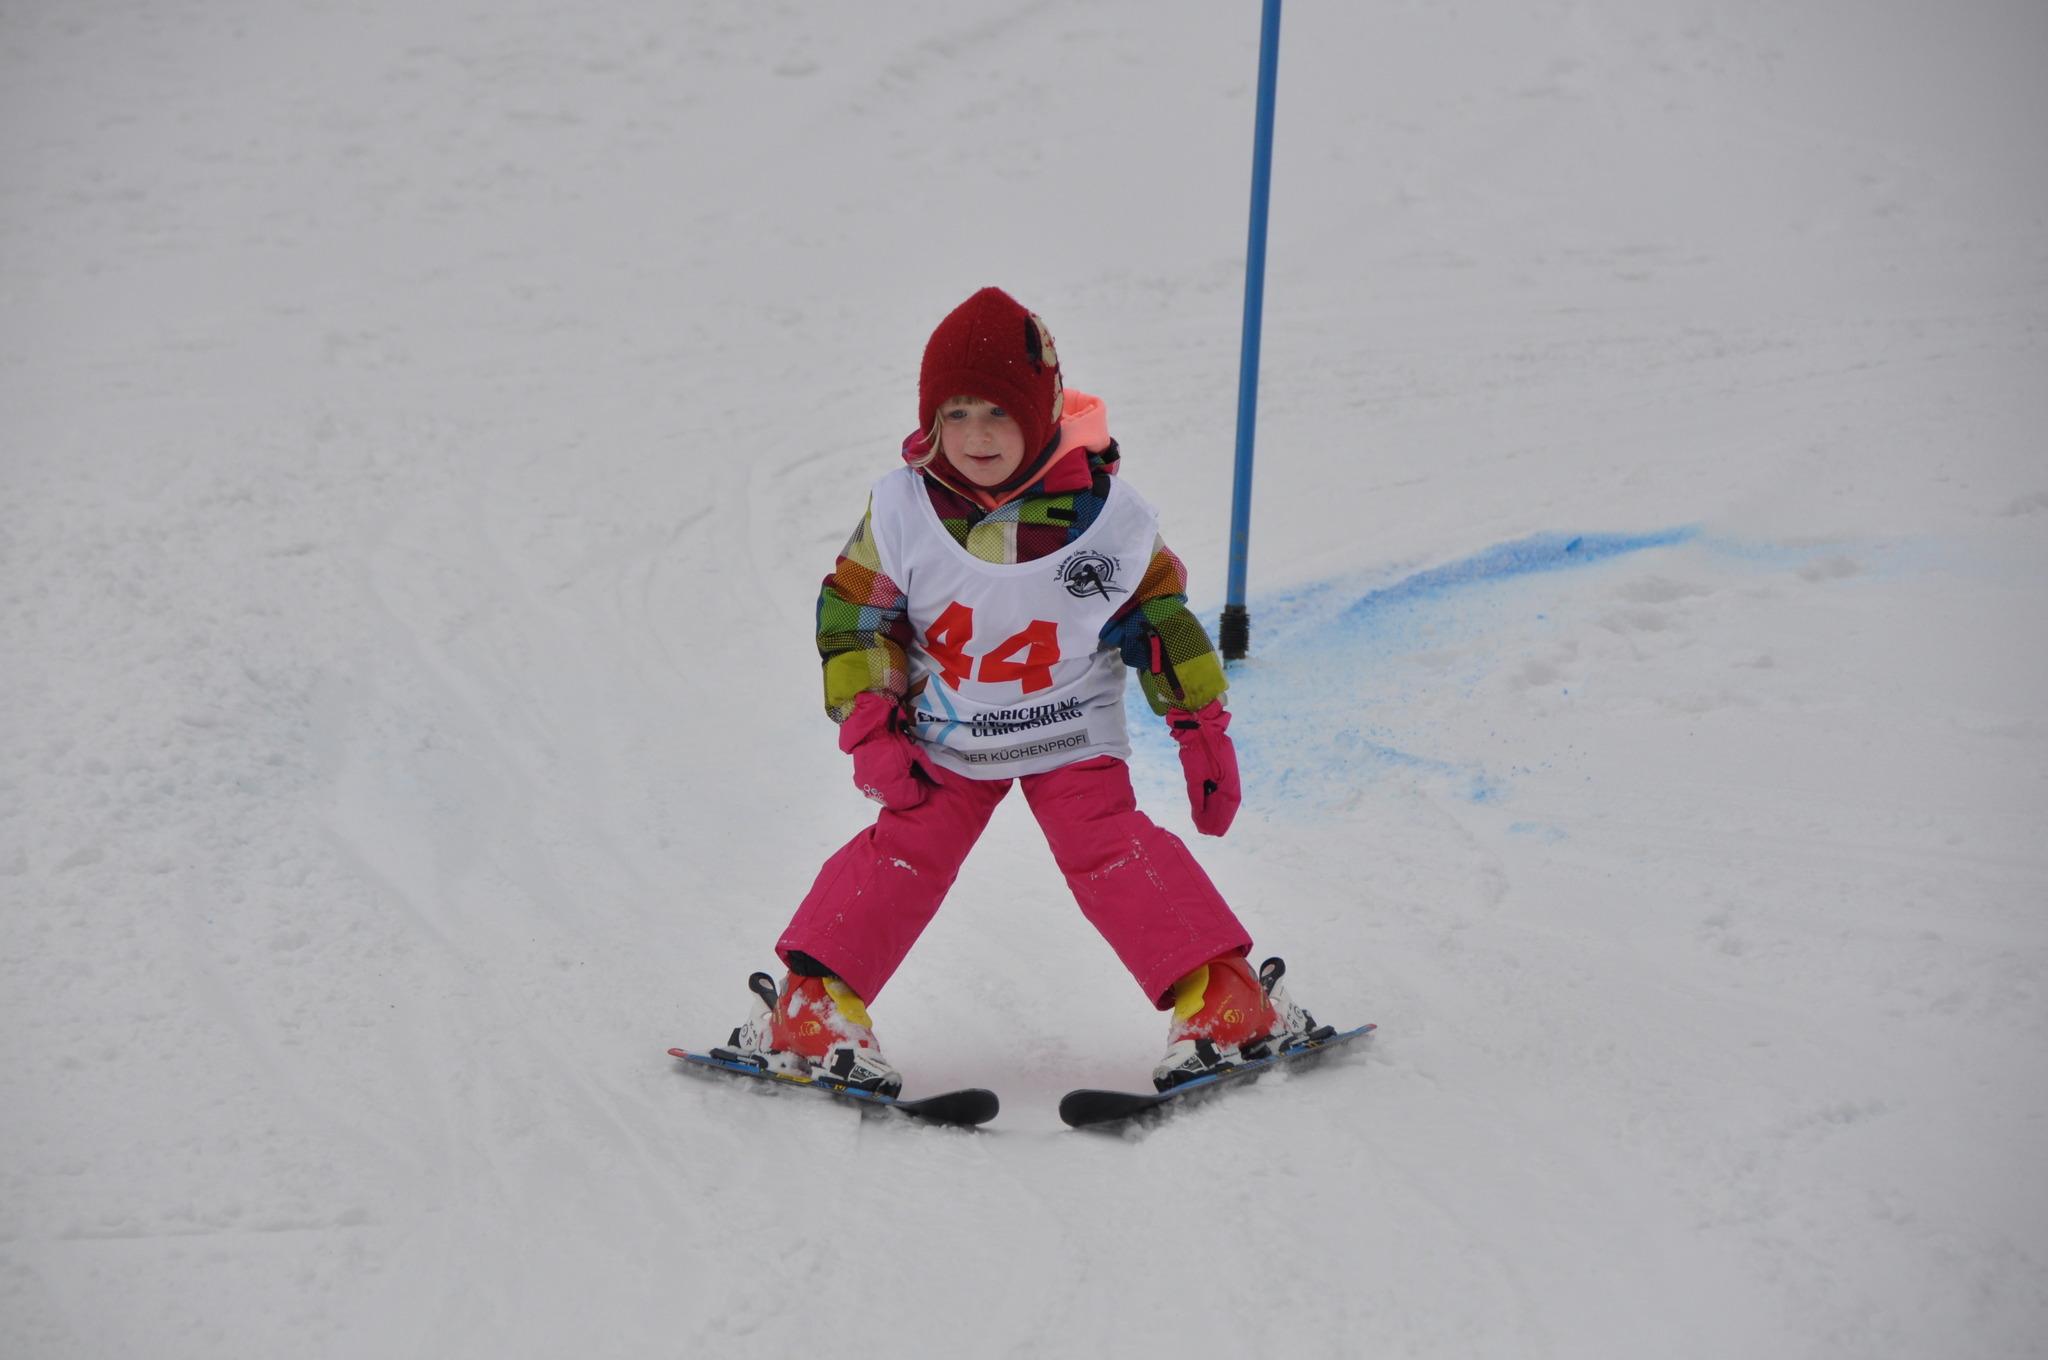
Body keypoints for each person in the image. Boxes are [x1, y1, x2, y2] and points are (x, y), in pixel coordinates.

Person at [723, 286, 1317, 1096]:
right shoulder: (904, 509)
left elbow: (1162, 622)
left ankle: (1224, 996)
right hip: (951, 731)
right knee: (906, 848)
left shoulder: (1105, 520)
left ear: (1039, 413)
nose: (975, 437)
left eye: (997, 414)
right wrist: (870, 718)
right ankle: (814, 1001)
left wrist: (1199, 724)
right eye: (956, 414)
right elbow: (855, 614)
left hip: (1069, 727)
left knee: (1109, 848)